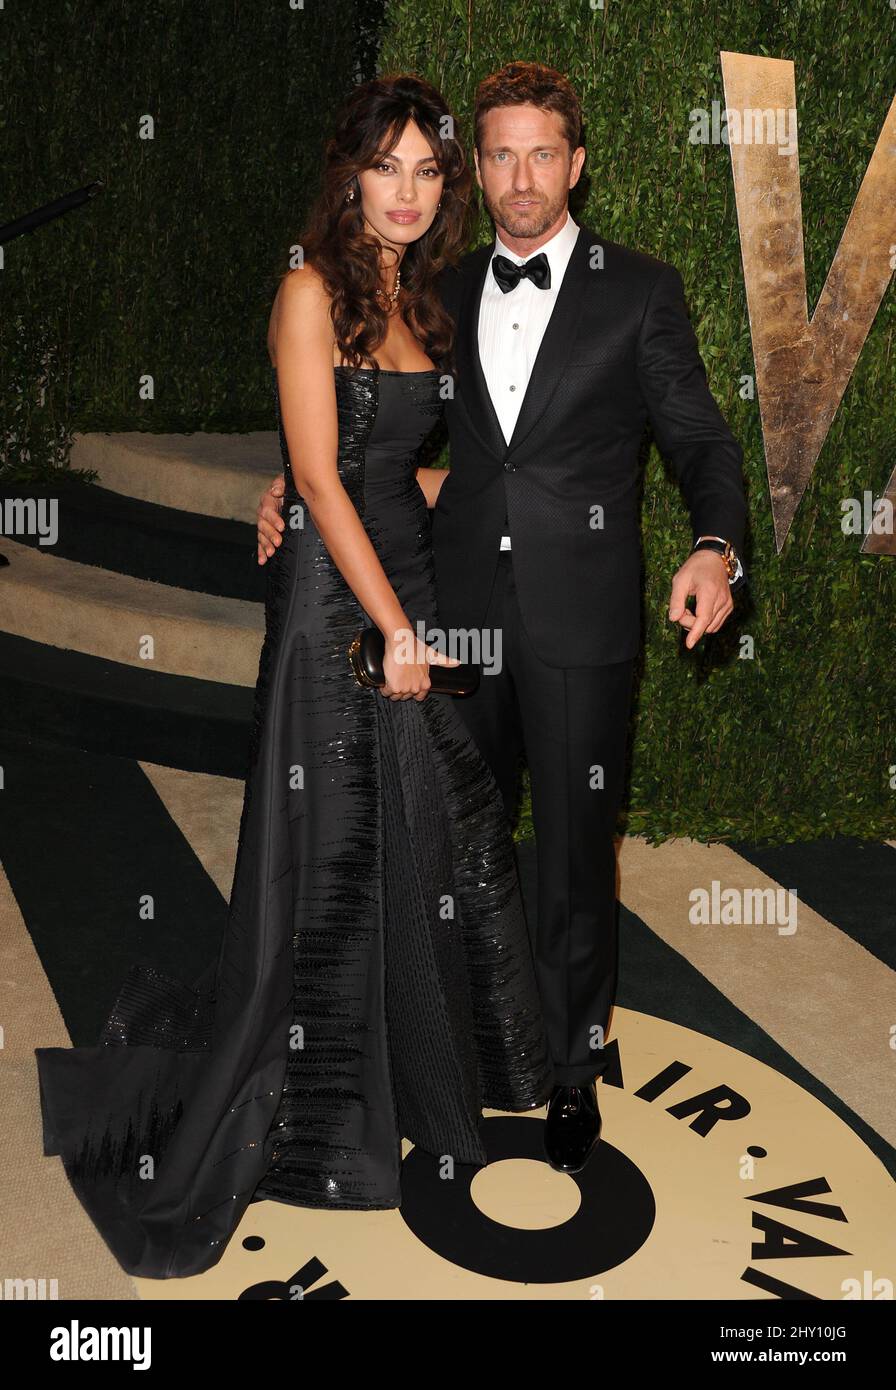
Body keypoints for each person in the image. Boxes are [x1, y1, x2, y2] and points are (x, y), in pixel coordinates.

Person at [34, 73, 554, 1281]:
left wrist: (431, 573)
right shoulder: (308, 289)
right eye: (388, 169)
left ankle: (420, 1072)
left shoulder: (418, 292)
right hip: (338, 603)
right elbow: (319, 479)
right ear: (348, 174)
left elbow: (411, 470)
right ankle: (321, 1114)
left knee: (426, 833)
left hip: (402, 578)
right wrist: (393, 629)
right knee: (332, 847)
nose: (409, 192)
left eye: (430, 171)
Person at [256, 62, 749, 1176]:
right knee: (447, 841)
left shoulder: (640, 289)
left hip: (581, 621)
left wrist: (714, 547)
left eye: (542, 153)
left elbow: (700, 442)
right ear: (477, 168)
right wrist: (295, 481)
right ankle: (464, 1044)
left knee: (575, 856)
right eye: (497, 154)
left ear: (575, 163)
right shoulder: (437, 288)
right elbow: (402, 446)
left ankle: (568, 1069)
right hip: (449, 612)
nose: (520, 176)